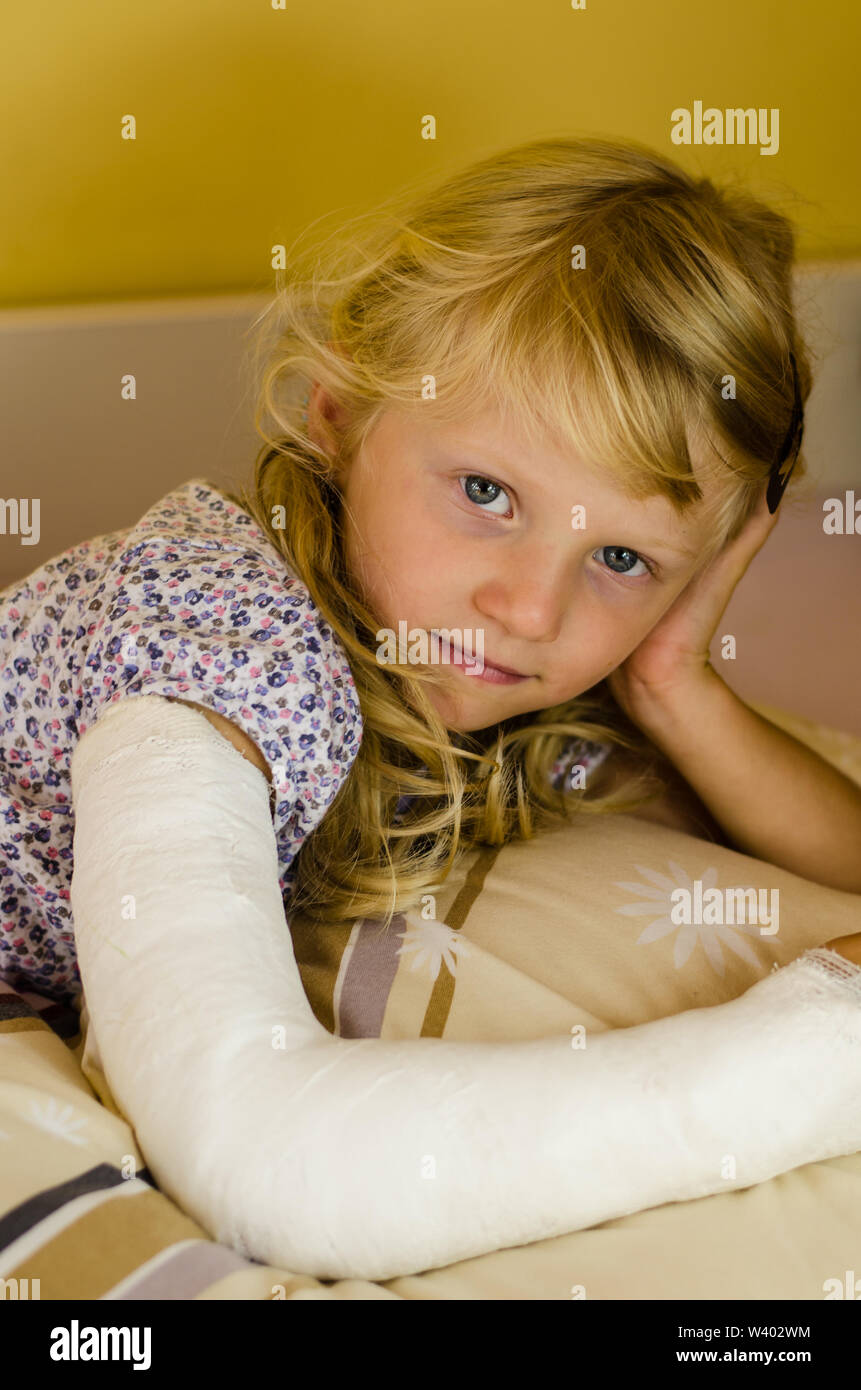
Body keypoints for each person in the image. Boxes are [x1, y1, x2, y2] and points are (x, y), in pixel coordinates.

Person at [3, 137, 861, 1278]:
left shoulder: (468, 682)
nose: (530, 608)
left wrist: (673, 678)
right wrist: (823, 1045)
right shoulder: (213, 651)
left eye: (620, 554)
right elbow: (264, 1155)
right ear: (340, 410)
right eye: (488, 493)